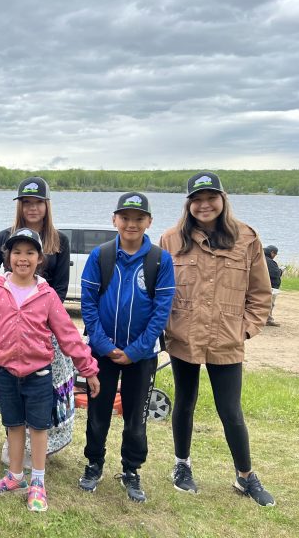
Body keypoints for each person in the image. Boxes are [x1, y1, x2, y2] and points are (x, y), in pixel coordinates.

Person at [0, 228, 100, 513]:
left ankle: (37, 481)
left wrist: (88, 368)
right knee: (13, 425)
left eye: (30, 253)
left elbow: (68, 336)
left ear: (40, 259)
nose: (23, 258)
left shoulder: (46, 295)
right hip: (5, 372)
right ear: (8, 257)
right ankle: (14, 476)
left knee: (38, 427)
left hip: (39, 375)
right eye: (17, 252)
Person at [160, 171, 275, 507]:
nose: (204, 204)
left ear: (223, 199)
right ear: (189, 203)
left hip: (226, 341)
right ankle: (182, 465)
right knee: (184, 403)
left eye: (210, 197)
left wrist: (245, 329)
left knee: (231, 411)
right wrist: (163, 327)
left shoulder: (247, 238)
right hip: (183, 337)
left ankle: (245, 476)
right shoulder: (170, 239)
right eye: (197, 199)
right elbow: (159, 290)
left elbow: (260, 294)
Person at [78, 193, 175, 502]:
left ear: (149, 221)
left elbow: (162, 310)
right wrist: (104, 345)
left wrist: (135, 350)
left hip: (142, 356)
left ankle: (131, 470)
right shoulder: (101, 256)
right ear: (114, 220)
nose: (131, 224)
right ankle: (94, 463)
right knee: (98, 411)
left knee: (135, 416)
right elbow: (88, 304)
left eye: (138, 218)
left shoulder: (160, 259)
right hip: (102, 353)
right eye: (125, 218)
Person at [0, 177, 75, 463]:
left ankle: (44, 446)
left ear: (46, 205)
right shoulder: (3, 237)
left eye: (38, 202)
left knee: (45, 391)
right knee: (10, 388)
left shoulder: (59, 241)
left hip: (45, 332)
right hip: (9, 331)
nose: (32, 208)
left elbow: (60, 289)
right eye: (26, 202)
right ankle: (14, 446)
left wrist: (44, 320)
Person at [263, 245, 282, 327]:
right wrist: (281, 270)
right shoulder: (269, 261)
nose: (275, 256)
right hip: (270, 286)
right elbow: (275, 273)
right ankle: (268, 320)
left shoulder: (261, 258)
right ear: (272, 252)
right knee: (270, 303)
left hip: (264, 284)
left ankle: (264, 319)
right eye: (275, 254)